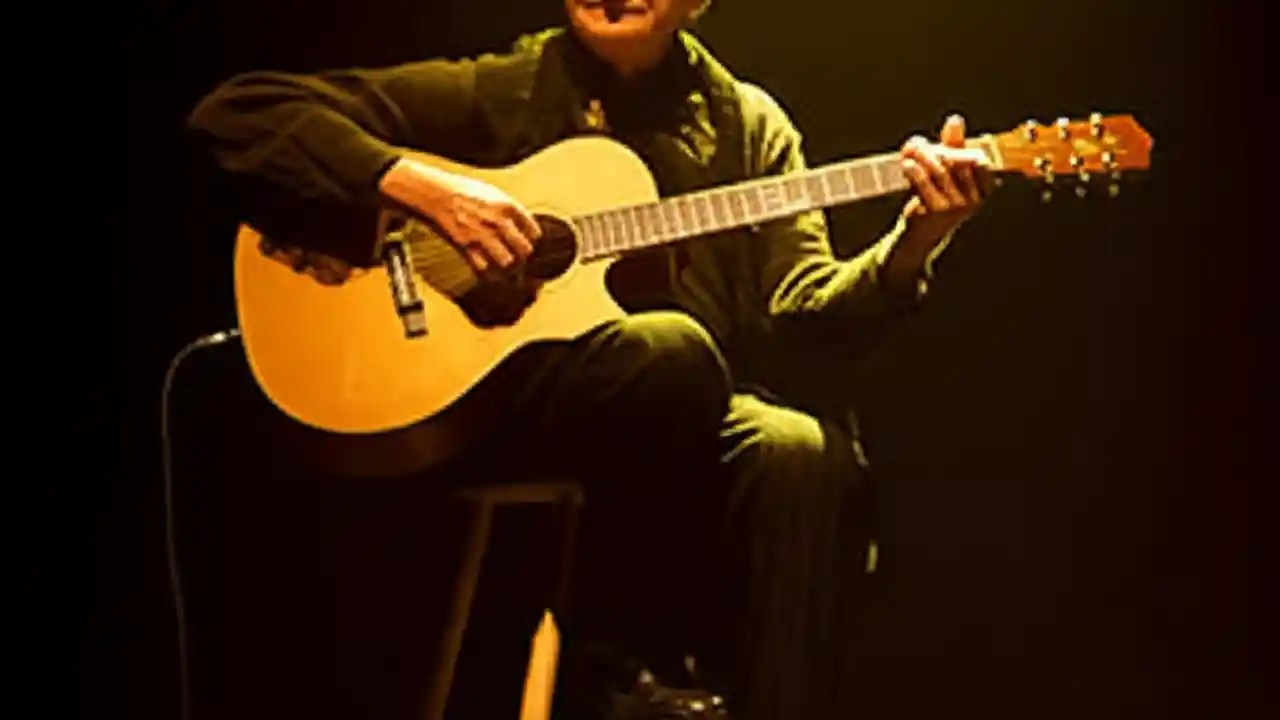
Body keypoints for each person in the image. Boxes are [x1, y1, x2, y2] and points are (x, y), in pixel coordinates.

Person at [184, 1, 991, 718]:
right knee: (667, 350)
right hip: (504, 404)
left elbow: (806, 307)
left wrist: (912, 245)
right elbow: (243, 113)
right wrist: (423, 190)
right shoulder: (505, 88)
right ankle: (611, 665)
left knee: (805, 456)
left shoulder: (748, 125)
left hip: (685, 408)